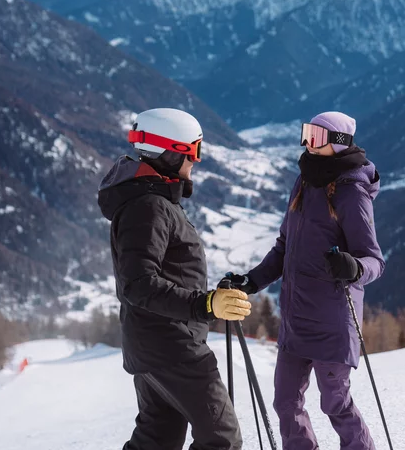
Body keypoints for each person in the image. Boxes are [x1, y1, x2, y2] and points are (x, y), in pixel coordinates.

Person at [230, 111, 385, 450]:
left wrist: (355, 267)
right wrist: (252, 281)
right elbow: (285, 247)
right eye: (306, 135)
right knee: (285, 402)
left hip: (332, 321)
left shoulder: (351, 192)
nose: (307, 145)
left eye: (316, 138)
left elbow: (375, 260)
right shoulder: (304, 180)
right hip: (295, 319)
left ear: (339, 143)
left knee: (335, 403)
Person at [98, 108, 251, 450]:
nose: (196, 161)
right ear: (170, 153)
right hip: (174, 346)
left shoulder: (148, 200)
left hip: (155, 343)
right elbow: (138, 284)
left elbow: (165, 273)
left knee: (157, 439)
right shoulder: (148, 206)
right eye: (193, 152)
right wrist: (206, 304)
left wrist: (209, 297)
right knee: (221, 438)